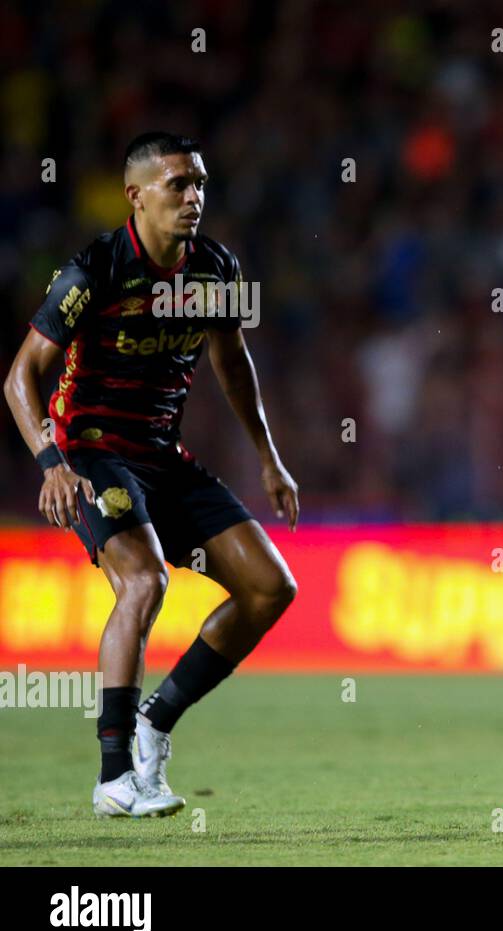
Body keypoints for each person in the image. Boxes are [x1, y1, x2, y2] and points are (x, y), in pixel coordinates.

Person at [3, 132, 299, 818]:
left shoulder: (215, 270)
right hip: (92, 451)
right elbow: (19, 376)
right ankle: (113, 778)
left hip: (163, 455)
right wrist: (50, 461)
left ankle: (154, 723)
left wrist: (268, 456)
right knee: (144, 580)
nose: (194, 197)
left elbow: (233, 362)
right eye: (178, 184)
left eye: (200, 184)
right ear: (136, 195)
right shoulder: (95, 270)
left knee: (270, 588)